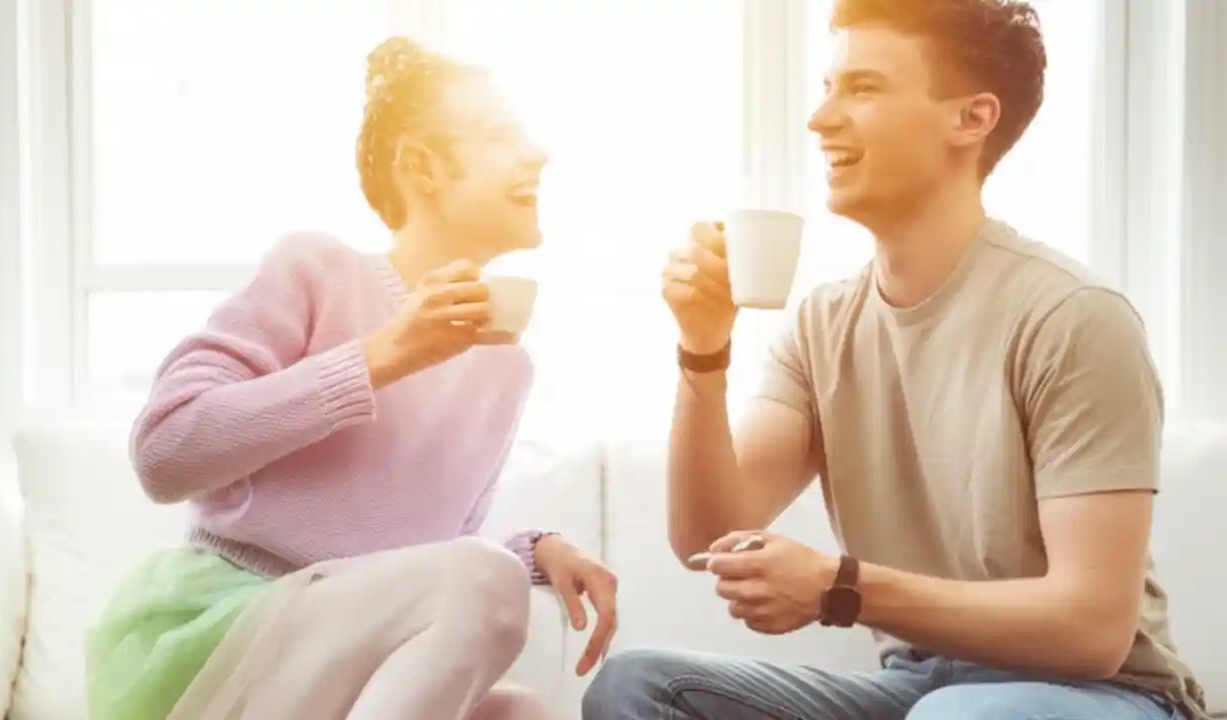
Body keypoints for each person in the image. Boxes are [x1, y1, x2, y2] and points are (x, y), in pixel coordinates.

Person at [583, 0, 1208, 718]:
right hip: (919, 684)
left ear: (971, 119)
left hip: (1097, 693)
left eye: (864, 88)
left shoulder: (1072, 318)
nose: (820, 120)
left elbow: (1093, 631)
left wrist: (840, 586)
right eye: (827, 88)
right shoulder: (823, 324)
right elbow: (705, 538)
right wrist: (702, 349)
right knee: (638, 686)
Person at [84, 36, 617, 720]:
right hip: (216, 641)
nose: (537, 153)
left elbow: (411, 555)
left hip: (326, 652)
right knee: (488, 580)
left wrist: (537, 550)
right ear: (421, 166)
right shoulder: (316, 270)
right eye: (497, 136)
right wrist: (386, 353)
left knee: (522, 714)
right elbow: (164, 453)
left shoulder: (504, 368)